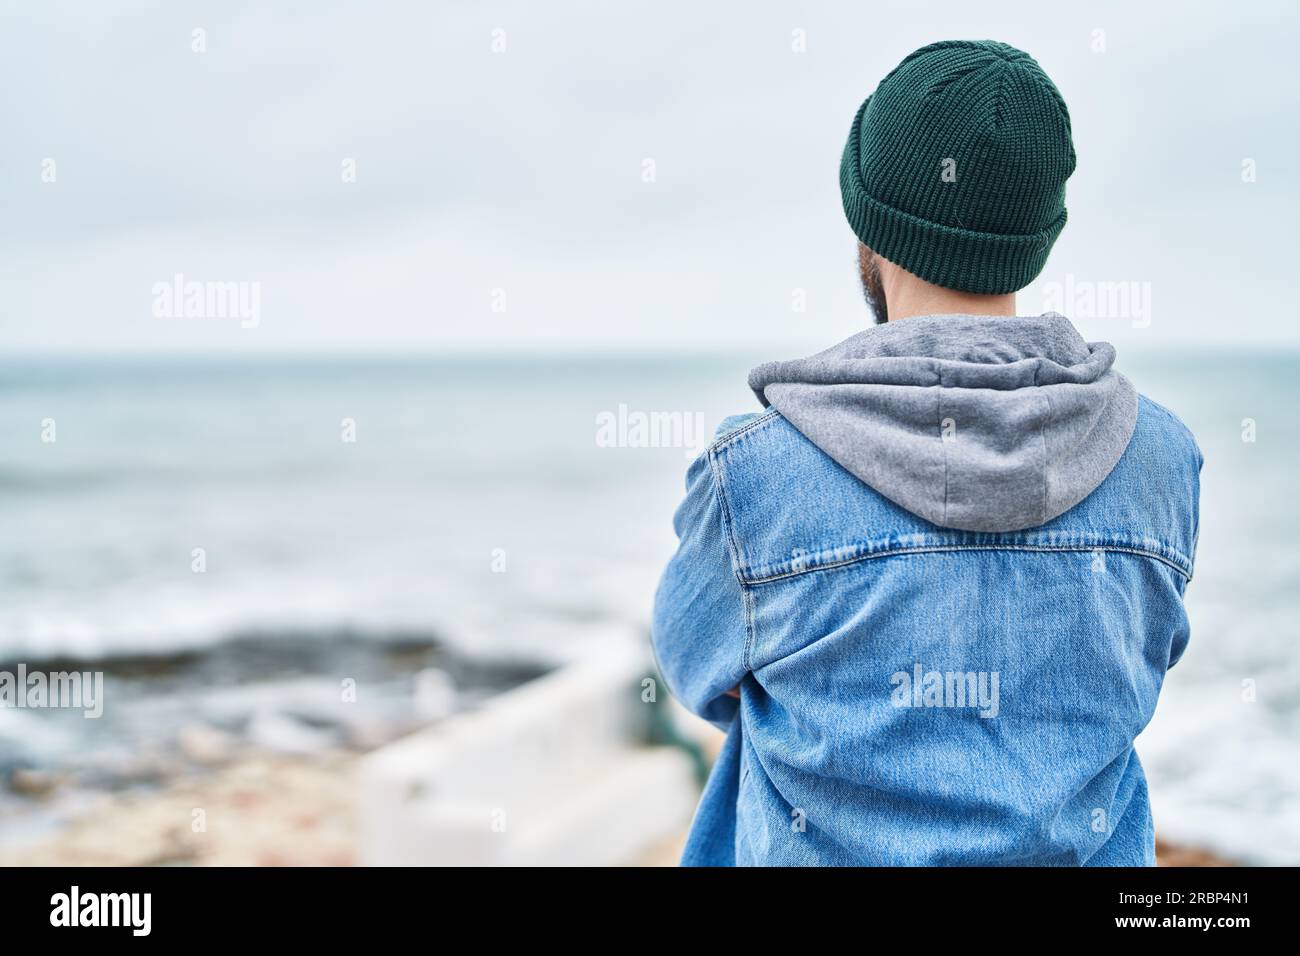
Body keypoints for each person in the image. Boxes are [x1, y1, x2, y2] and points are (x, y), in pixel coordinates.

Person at [652, 40, 1202, 866]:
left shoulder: (757, 476)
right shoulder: (1159, 457)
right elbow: (1152, 660)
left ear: (869, 225)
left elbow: (699, 671)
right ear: (1040, 232)